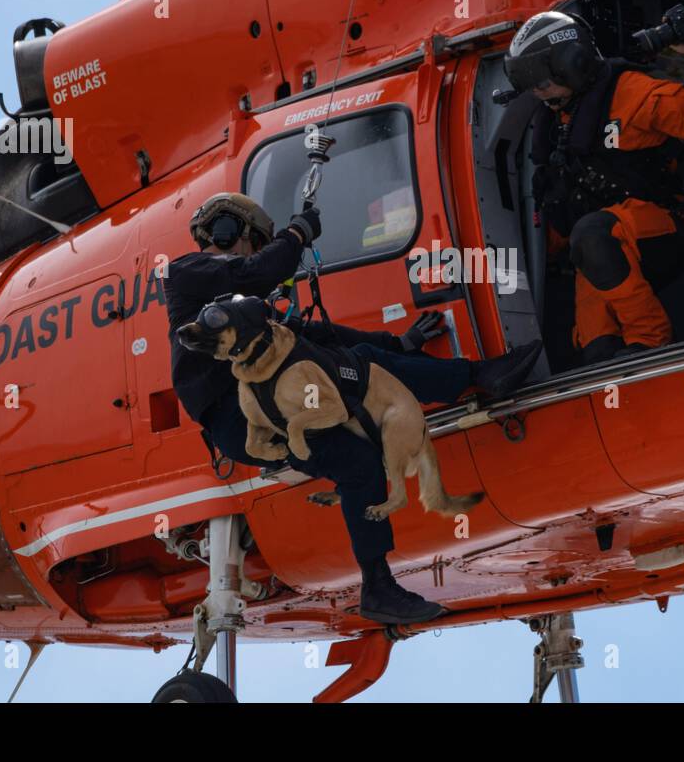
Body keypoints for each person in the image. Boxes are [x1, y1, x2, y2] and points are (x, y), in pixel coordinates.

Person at [164, 192, 541, 624]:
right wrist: (298, 233)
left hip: (276, 402)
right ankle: (379, 587)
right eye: (256, 242)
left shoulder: (250, 315)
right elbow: (260, 270)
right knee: (358, 450)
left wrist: (396, 343)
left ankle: (478, 377)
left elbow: (321, 335)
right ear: (230, 233)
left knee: (363, 385)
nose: (257, 252)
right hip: (241, 417)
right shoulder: (185, 273)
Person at [503, 10, 684, 364]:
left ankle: (652, 341)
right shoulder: (558, 117)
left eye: (542, 82)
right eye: (532, 86)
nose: (539, 92)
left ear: (571, 64)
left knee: (593, 234)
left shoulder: (631, 93)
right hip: (597, 253)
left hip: (662, 230)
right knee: (597, 351)